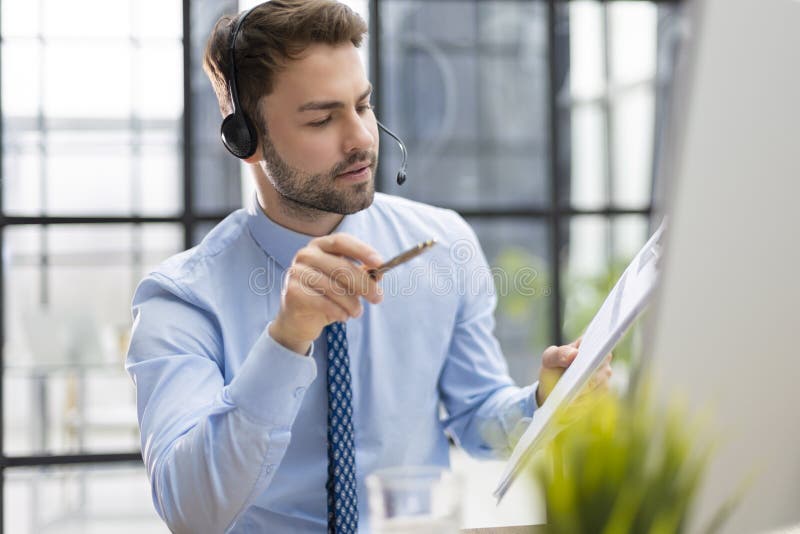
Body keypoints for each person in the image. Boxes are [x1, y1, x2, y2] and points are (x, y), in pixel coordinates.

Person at [125, 1, 612, 533]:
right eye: (322, 117)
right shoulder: (179, 300)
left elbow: (477, 418)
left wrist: (544, 401)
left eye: (363, 105)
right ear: (247, 140)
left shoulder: (442, 244)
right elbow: (190, 511)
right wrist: (286, 341)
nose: (360, 137)